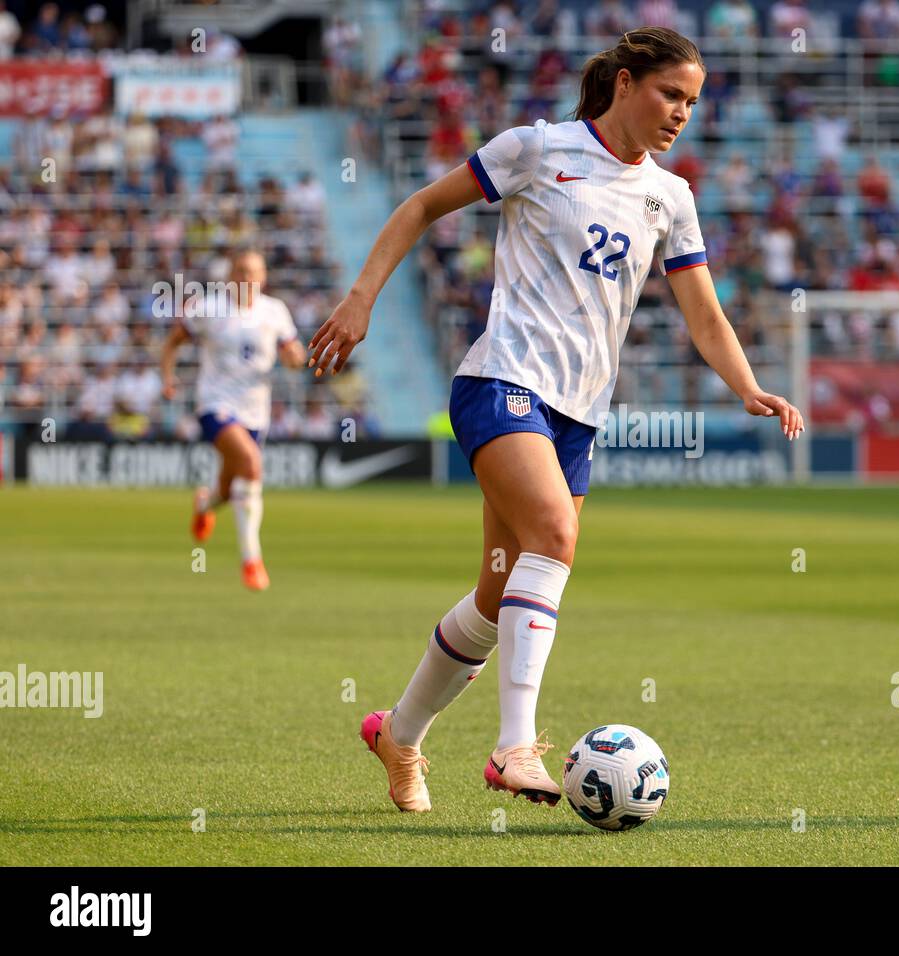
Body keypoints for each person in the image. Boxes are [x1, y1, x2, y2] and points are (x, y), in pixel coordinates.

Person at [308, 27, 804, 812]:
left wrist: (748, 385)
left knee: (494, 596)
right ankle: (513, 748)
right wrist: (362, 296)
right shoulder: (539, 149)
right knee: (556, 540)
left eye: (692, 102)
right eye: (671, 94)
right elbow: (422, 205)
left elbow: (704, 314)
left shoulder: (670, 198)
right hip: (501, 378)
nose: (682, 113)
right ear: (625, 83)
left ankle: (398, 735)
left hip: (580, 413)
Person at [160, 249, 306, 590]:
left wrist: (296, 359)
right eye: (241, 271)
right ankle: (251, 560)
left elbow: (291, 354)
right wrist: (167, 377)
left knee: (229, 488)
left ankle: (205, 502)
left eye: (253, 272)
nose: (247, 279)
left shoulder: (275, 311)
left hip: (256, 410)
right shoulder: (208, 308)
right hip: (215, 405)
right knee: (251, 465)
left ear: (264, 277)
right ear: (230, 276)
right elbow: (172, 343)